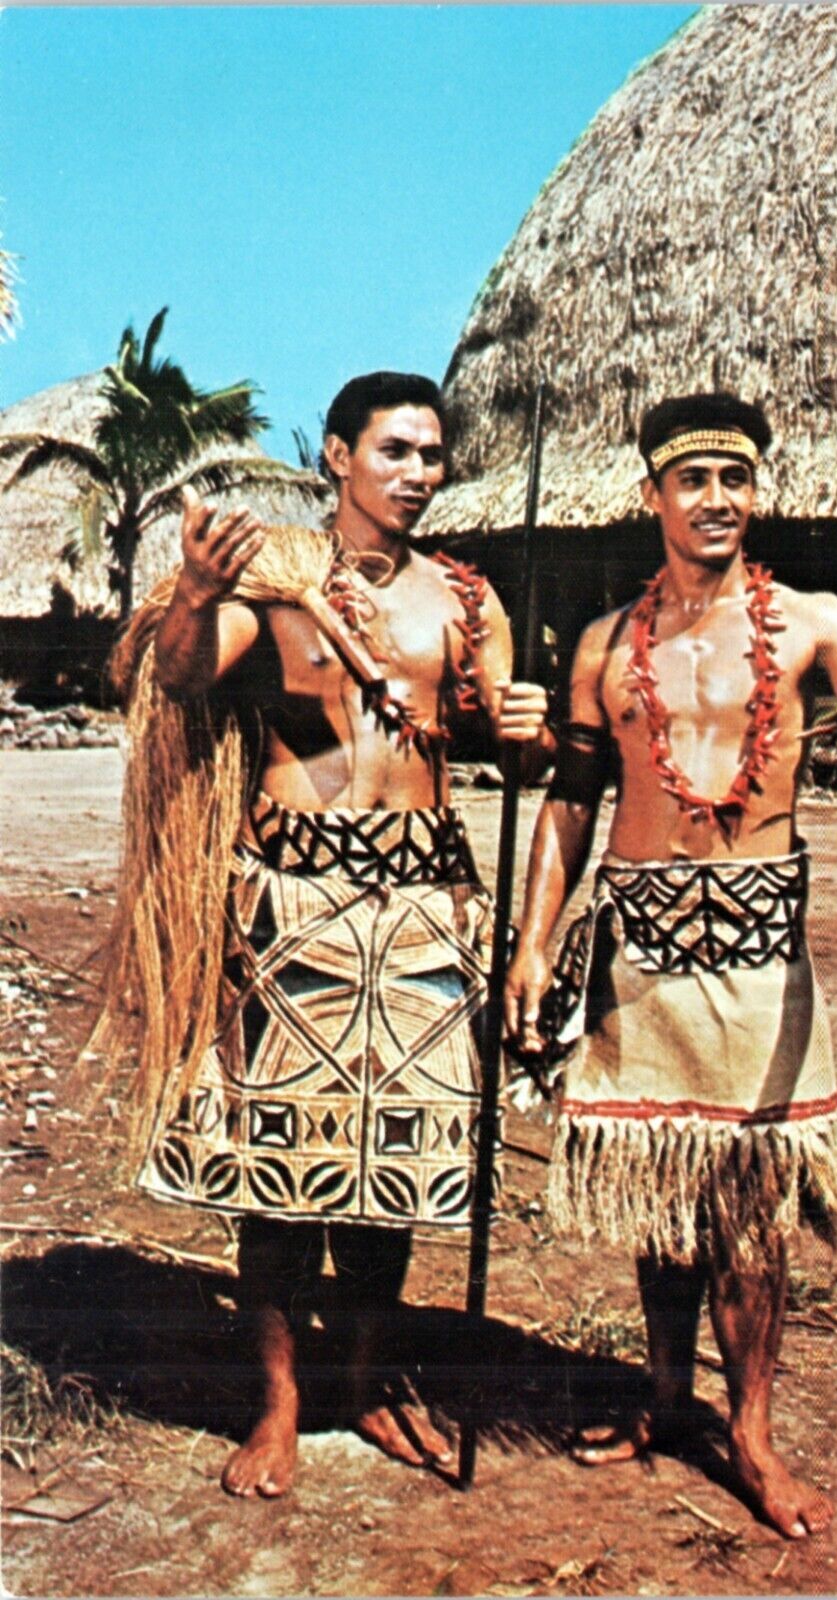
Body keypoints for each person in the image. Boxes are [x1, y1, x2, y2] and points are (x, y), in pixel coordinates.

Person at [504, 392, 837, 1539]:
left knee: (751, 1204)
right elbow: (570, 805)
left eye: (736, 477)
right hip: (638, 945)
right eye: (693, 479)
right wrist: (534, 943)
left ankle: (755, 1431)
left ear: (757, 492)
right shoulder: (600, 644)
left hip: (758, 949)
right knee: (663, 1182)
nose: (717, 498)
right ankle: (668, 1398)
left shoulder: (816, 620)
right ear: (653, 497)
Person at [103, 371, 548, 1497]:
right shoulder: (284, 588)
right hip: (295, 905)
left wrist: (525, 728)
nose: (416, 474)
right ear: (336, 458)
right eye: (393, 450)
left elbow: (506, 741)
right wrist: (199, 596)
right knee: (282, 1174)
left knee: (390, 1162)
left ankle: (361, 1372)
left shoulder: (464, 599)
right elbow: (187, 673)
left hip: (424, 907)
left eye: (432, 454)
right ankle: (280, 1400)